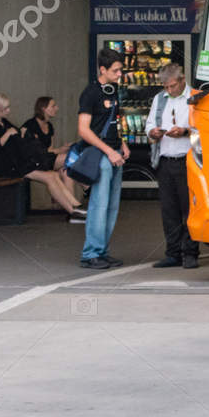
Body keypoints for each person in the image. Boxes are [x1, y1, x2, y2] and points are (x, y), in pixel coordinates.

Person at [0, 92, 85, 220]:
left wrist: (21, 133)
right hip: (7, 167)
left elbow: (18, 136)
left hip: (18, 163)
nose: (8, 111)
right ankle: (73, 212)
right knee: (50, 177)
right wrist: (7, 134)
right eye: (5, 108)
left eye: (8, 107)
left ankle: (76, 206)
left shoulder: (5, 122)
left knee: (54, 175)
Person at [77, 50, 130, 269]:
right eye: (115, 70)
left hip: (115, 153)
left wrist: (122, 143)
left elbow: (113, 120)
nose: (119, 74)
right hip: (101, 155)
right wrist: (109, 151)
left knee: (111, 206)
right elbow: (83, 130)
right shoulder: (90, 93)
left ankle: (102, 250)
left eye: (120, 70)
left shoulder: (113, 90)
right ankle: (91, 253)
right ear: (102, 70)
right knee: (99, 205)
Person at [146, 64, 198, 269]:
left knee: (189, 209)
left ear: (182, 80)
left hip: (187, 160)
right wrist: (153, 132)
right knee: (169, 211)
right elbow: (149, 124)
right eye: (166, 87)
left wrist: (184, 132)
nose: (169, 90)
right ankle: (173, 253)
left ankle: (190, 253)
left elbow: (203, 129)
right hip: (165, 159)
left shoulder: (195, 98)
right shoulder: (159, 99)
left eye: (172, 86)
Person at [20, 96, 72, 174]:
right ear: (43, 109)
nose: (57, 108)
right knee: (70, 158)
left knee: (66, 168)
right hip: (34, 162)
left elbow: (50, 149)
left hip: (46, 158)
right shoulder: (30, 125)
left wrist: (63, 148)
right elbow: (35, 152)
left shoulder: (49, 126)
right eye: (53, 106)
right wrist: (60, 150)